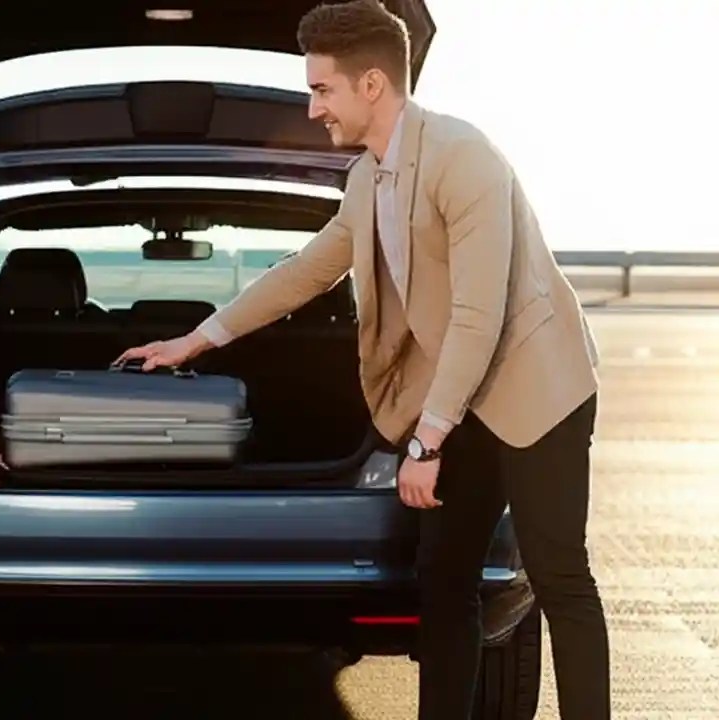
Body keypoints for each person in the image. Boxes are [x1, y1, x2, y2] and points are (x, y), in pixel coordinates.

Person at [115, 1, 609, 717]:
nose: (313, 108)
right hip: (461, 392)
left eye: (323, 89)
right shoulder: (368, 179)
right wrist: (196, 340)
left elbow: (479, 315)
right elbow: (306, 271)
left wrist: (426, 442)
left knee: (559, 575)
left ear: (371, 84)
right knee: (444, 579)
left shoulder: (462, 157)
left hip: (537, 390)